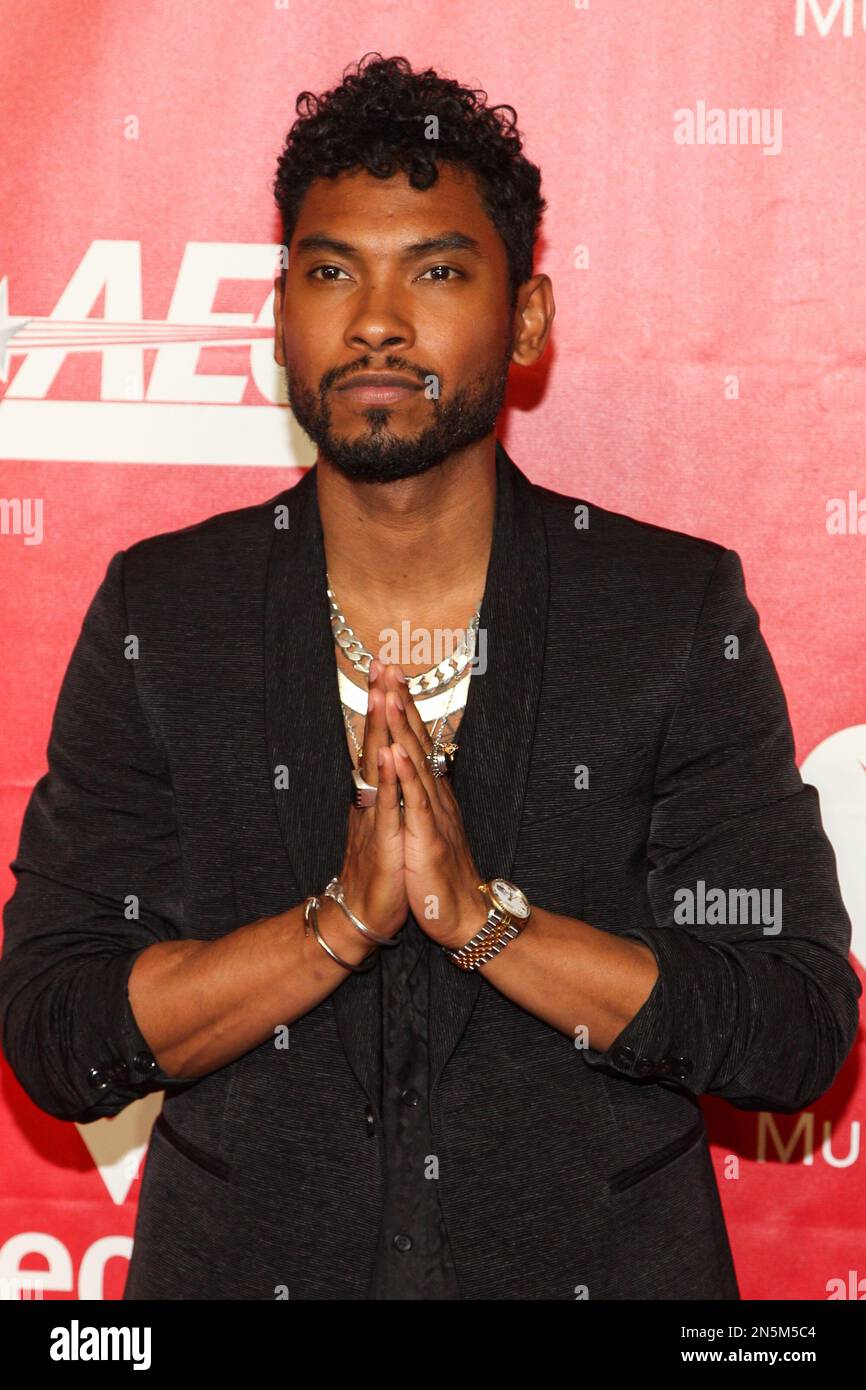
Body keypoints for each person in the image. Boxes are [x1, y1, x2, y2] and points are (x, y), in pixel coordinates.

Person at [0, 53, 860, 1302]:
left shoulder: (665, 611)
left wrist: (483, 922)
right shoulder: (164, 611)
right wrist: (335, 926)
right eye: (330, 269)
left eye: (437, 271)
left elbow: (791, 1020)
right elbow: (58, 1024)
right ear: (281, 311)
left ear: (524, 320)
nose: (375, 321)